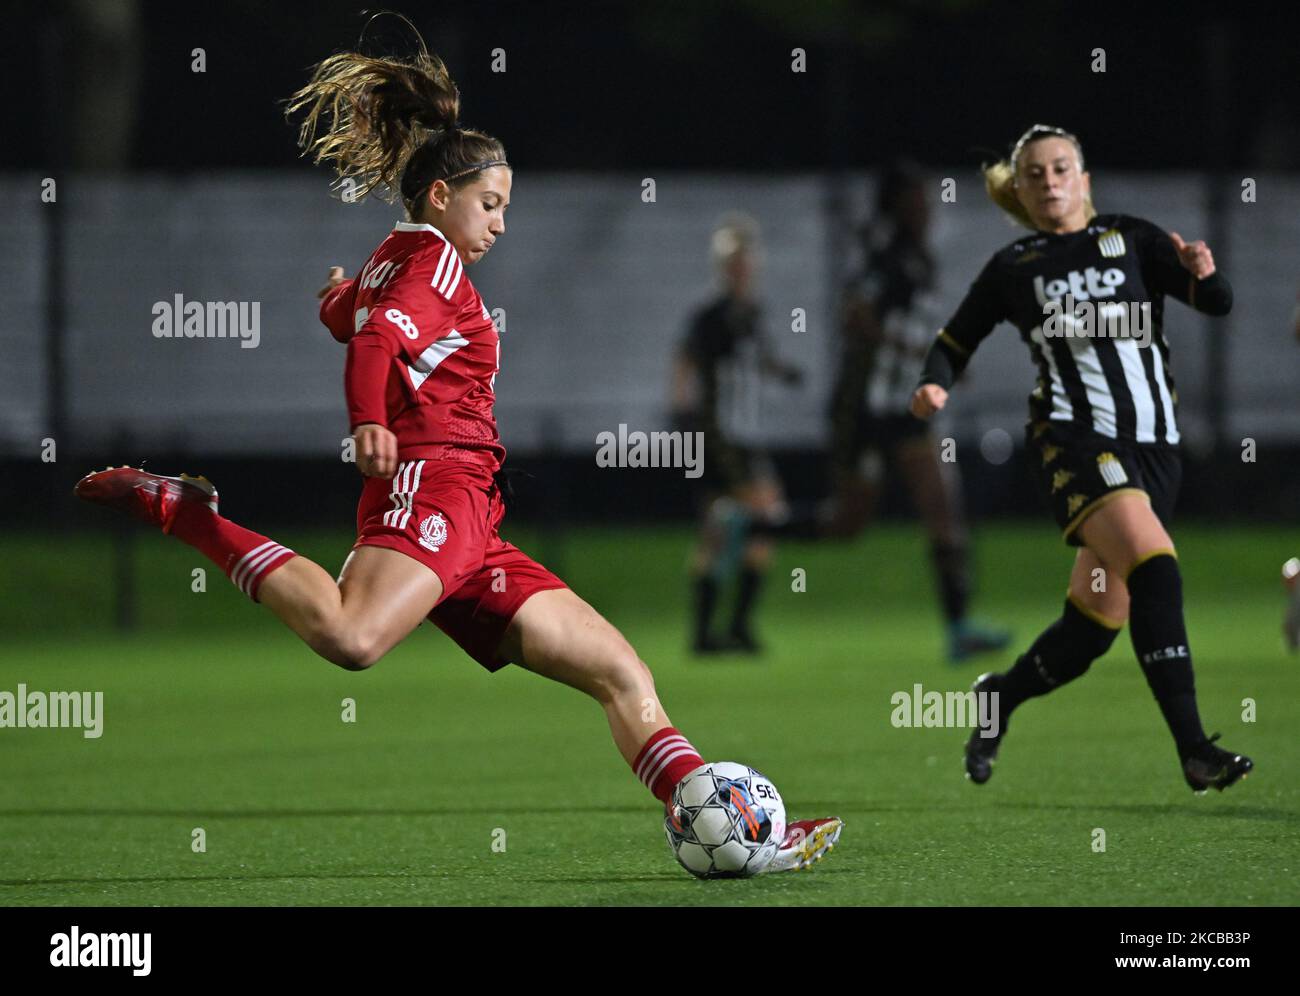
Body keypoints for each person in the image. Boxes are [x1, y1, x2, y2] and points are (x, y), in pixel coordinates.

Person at [75, 38, 841, 869]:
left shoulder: (401, 259)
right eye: (491, 203)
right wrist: (368, 416)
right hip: (432, 492)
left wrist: (340, 296)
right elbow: (373, 341)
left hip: (471, 519)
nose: (501, 224)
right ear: (441, 197)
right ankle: (187, 517)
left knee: (622, 672)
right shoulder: (433, 262)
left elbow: (358, 318)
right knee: (351, 637)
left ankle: (737, 832)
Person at [910, 124, 1253, 792]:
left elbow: (1215, 303)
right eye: (1034, 173)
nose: (1049, 182)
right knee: (1156, 568)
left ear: (1084, 179)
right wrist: (934, 384)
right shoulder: (1017, 267)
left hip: (1155, 451)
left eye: (1061, 168)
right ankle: (1194, 750)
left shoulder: (1132, 239)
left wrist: (1205, 275)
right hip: (1076, 441)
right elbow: (953, 340)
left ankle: (998, 698)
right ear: (1023, 188)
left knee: (1092, 628)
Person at [827, 161, 1011, 663]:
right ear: (899, 206)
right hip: (876, 409)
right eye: (918, 199)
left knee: (920, 513)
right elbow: (856, 316)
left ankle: (959, 629)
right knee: (862, 522)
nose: (927, 207)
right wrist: (921, 356)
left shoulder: (915, 258)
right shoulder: (886, 259)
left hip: (906, 408)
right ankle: (753, 525)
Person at [671, 214, 804, 655]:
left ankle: (712, 632)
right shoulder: (711, 316)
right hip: (721, 437)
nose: (742, 268)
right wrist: (682, 413)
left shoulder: (751, 314)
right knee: (766, 515)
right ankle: (733, 627)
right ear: (723, 267)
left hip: (745, 435)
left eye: (746, 260)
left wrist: (783, 372)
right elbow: (685, 362)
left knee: (722, 529)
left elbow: (758, 360)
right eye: (734, 261)